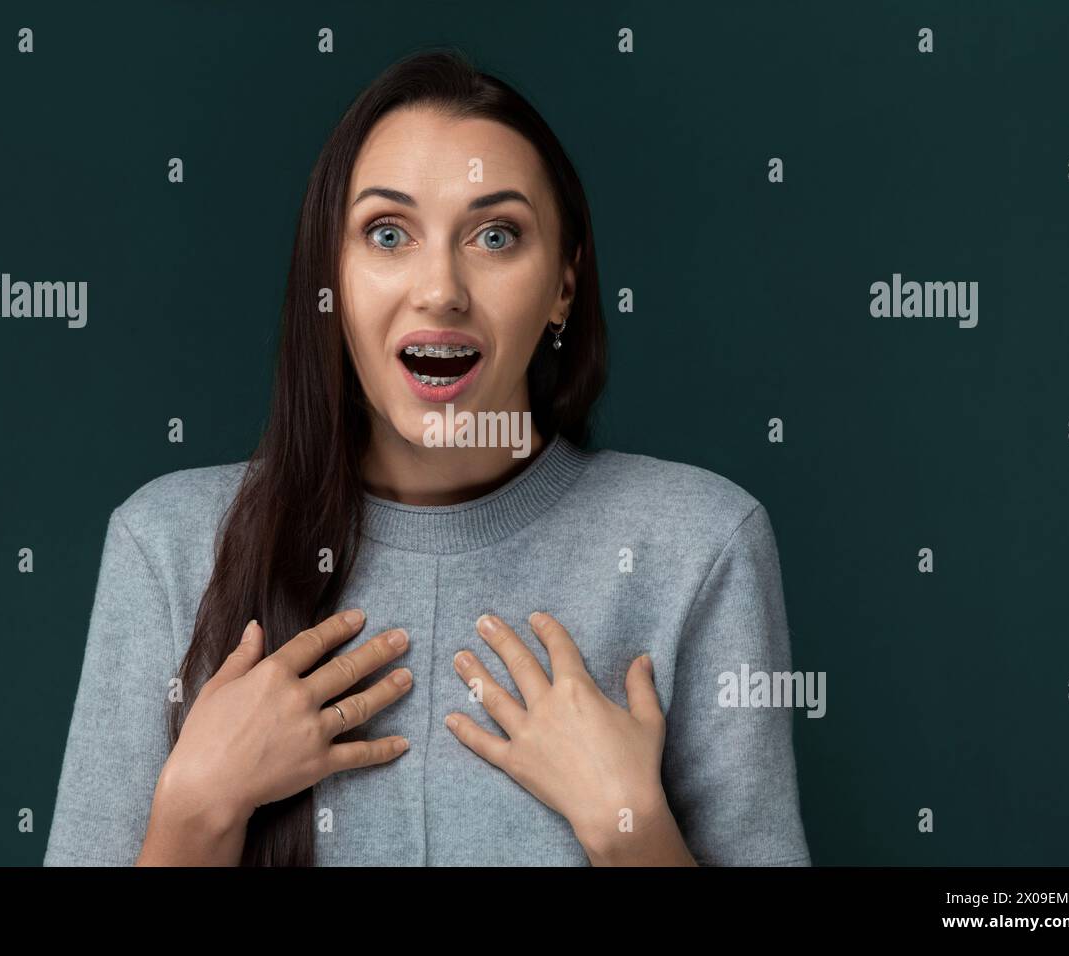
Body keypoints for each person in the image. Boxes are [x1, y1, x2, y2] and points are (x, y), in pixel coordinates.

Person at [43, 48, 811, 868]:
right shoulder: (165, 544)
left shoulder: (701, 541)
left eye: (495, 234)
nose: (440, 288)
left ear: (563, 285)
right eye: (387, 233)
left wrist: (630, 825)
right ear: (330, 279)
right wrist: (196, 812)